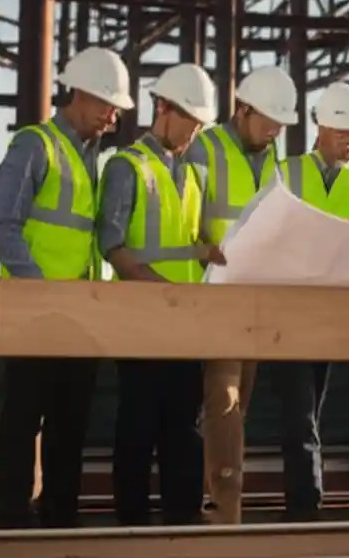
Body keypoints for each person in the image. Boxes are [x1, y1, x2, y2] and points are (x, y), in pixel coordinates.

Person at [0, 46, 134, 529]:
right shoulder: (35, 144)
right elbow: (2, 223)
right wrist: (38, 291)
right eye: (107, 104)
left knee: (70, 427)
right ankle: (10, 519)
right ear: (80, 92)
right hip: (35, 312)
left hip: (80, 314)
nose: (113, 115)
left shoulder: (92, 158)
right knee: (23, 420)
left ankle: (60, 520)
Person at [99, 63, 223, 526]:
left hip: (185, 325)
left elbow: (182, 245)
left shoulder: (193, 178)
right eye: (191, 121)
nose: (195, 132)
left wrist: (207, 255)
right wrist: (164, 295)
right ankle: (131, 520)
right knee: (138, 422)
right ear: (164, 109)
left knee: (182, 427)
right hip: (141, 320)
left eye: (200, 124)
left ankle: (183, 515)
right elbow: (113, 246)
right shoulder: (126, 166)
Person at [186, 64, 298, 524]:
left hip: (253, 297)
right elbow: (183, 220)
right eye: (268, 121)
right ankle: (227, 510)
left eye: (280, 125)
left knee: (235, 407)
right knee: (224, 401)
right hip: (212, 295)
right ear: (243, 109)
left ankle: (205, 499)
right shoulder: (205, 147)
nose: (274, 131)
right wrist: (203, 251)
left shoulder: (270, 158)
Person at [272, 81, 349, 521]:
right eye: (342, 130)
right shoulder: (285, 173)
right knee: (299, 415)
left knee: (312, 412)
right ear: (320, 127)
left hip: (331, 315)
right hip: (290, 312)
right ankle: (304, 504)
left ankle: (307, 500)